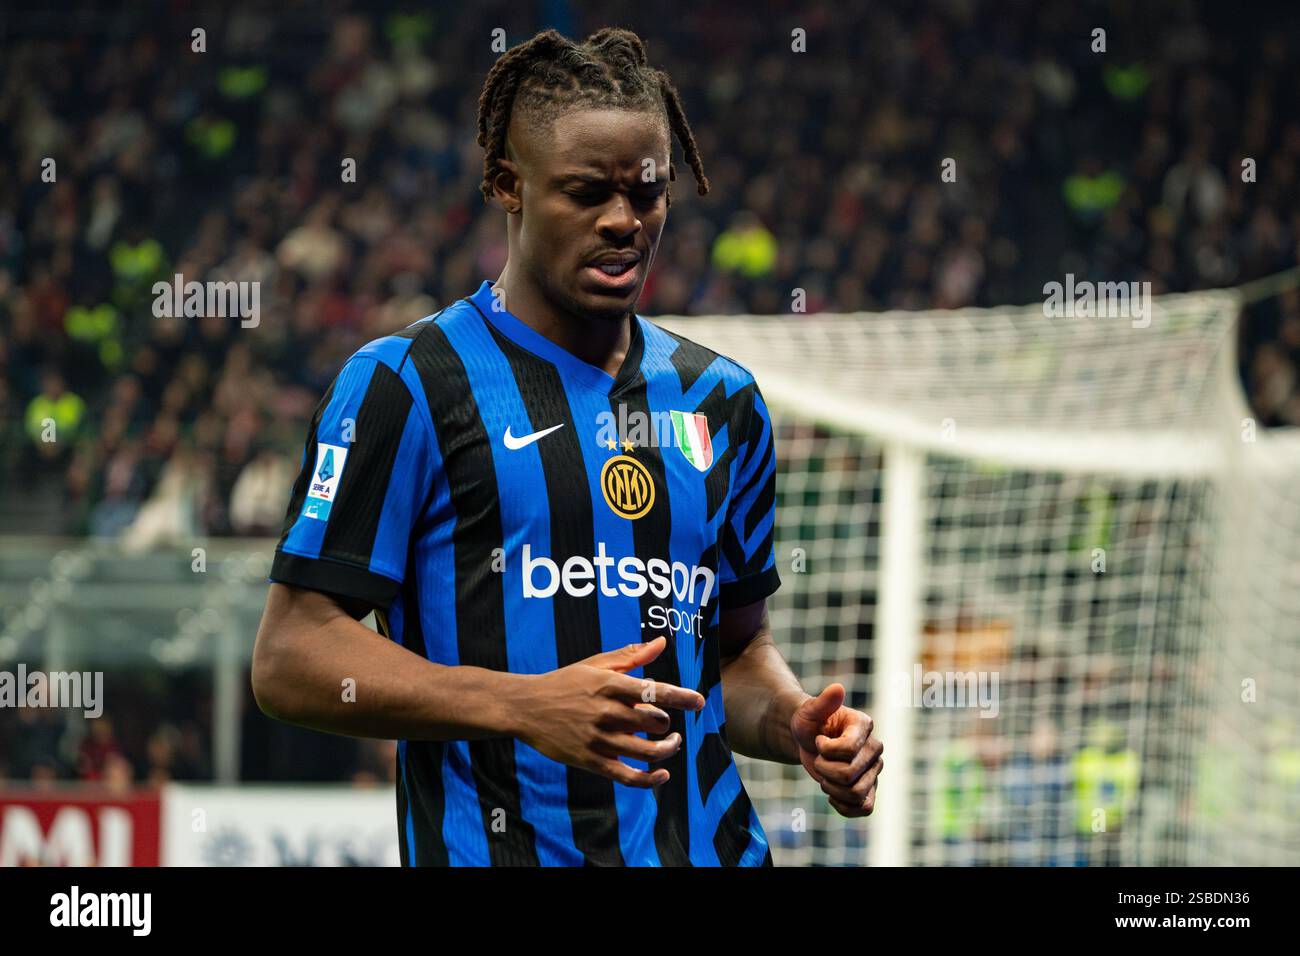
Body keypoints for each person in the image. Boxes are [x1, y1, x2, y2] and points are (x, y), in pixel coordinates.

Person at [251, 27, 882, 867]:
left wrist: (796, 722)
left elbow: (733, 656)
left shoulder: (721, 400)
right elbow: (292, 657)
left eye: (647, 193)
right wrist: (521, 704)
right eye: (587, 193)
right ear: (507, 185)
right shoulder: (408, 385)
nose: (623, 222)